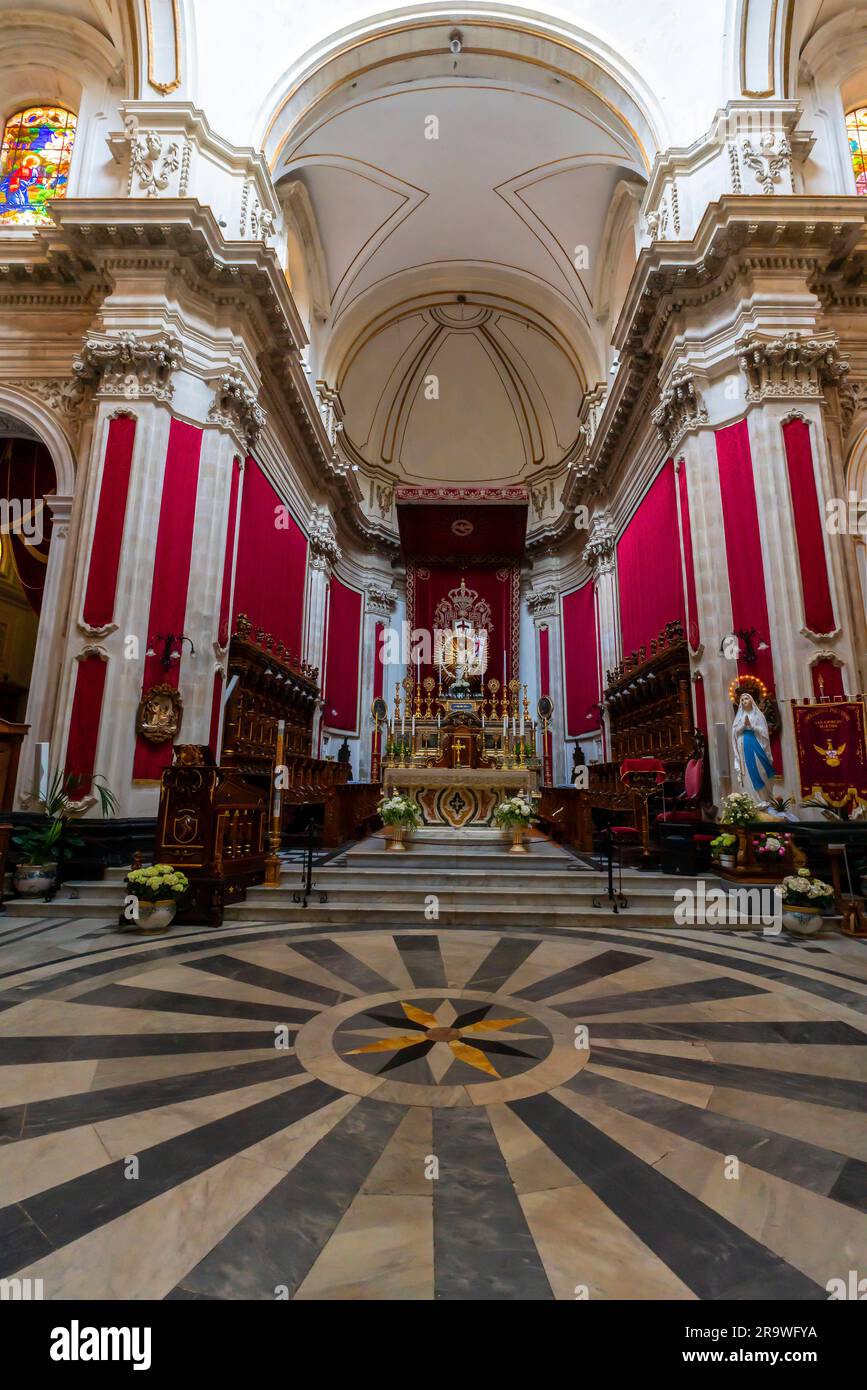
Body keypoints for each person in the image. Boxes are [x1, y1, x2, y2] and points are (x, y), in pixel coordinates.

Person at [732, 692, 775, 801]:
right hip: (744, 746)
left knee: (761, 769)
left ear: (751, 700)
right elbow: (735, 733)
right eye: (742, 700)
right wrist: (743, 725)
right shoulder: (739, 716)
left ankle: (765, 798)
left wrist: (752, 726)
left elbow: (764, 732)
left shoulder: (758, 715)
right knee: (747, 771)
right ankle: (753, 800)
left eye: (746, 698)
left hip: (756, 744)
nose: (744, 701)